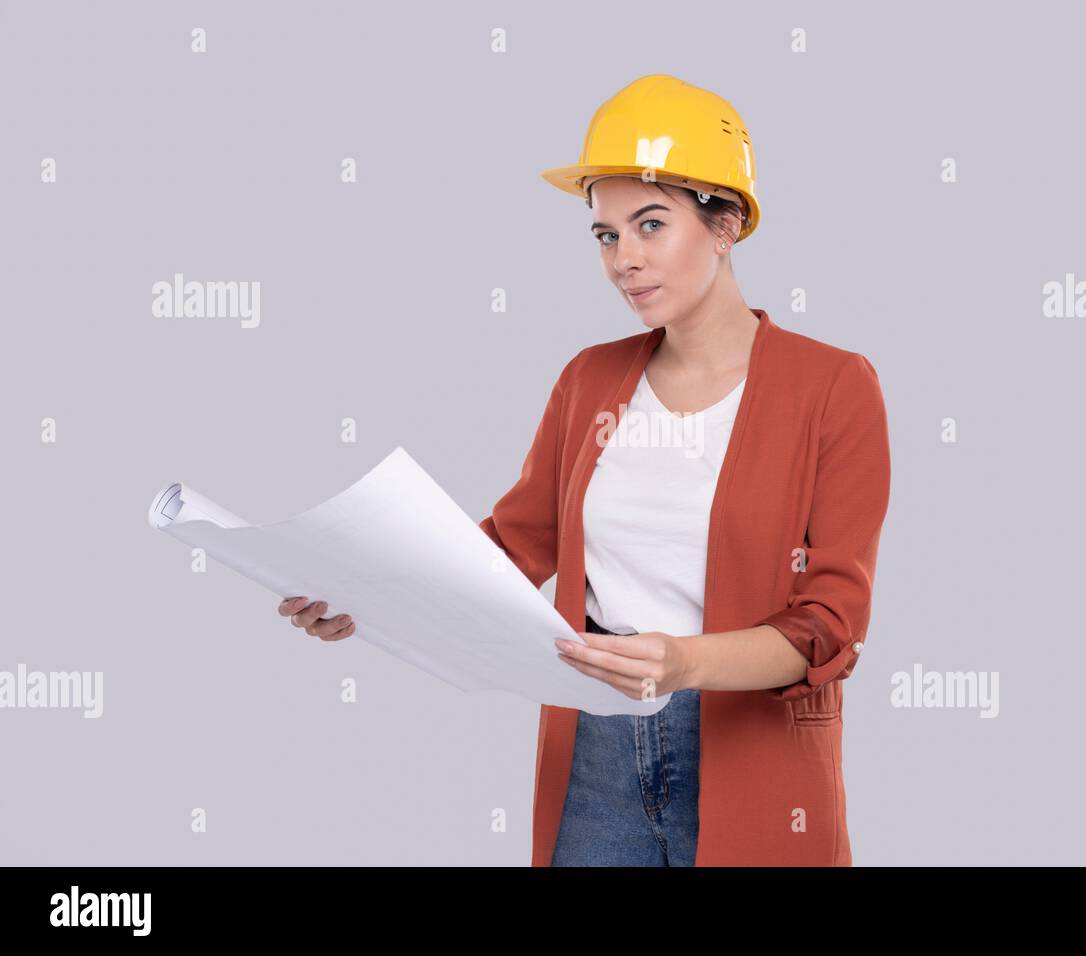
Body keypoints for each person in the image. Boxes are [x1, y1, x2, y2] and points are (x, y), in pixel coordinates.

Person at [280, 74, 891, 867]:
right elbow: (508, 550)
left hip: (751, 749)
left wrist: (685, 662)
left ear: (726, 224)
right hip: (595, 750)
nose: (624, 260)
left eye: (650, 225)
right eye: (606, 235)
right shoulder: (590, 381)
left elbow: (830, 623)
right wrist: (367, 598)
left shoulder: (833, 386)